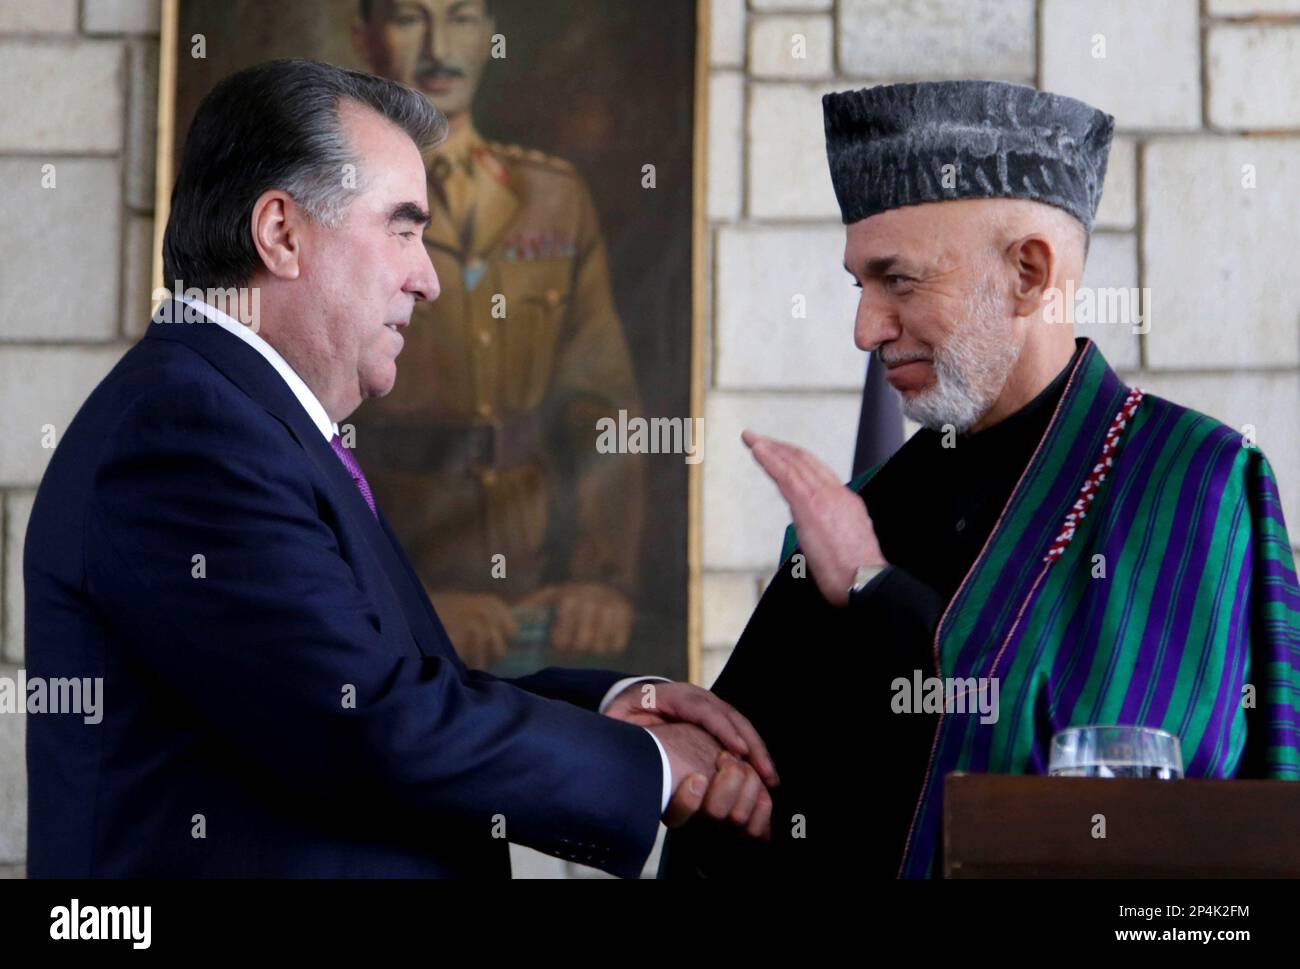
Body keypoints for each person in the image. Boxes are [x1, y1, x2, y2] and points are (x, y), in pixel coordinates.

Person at [24, 58, 775, 878]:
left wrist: (608, 712)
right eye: (404, 228)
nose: (429, 278)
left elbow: (380, 684)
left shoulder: (235, 411)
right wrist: (654, 767)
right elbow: (359, 722)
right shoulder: (188, 428)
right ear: (281, 233)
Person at [660, 80, 1300, 879]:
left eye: (898, 280)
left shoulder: (1189, 484)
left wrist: (874, 588)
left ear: (1029, 274)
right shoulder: (867, 505)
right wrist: (721, 789)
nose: (866, 329)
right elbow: (744, 789)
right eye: (859, 284)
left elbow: (1108, 816)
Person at [350, 0, 645, 669]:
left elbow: (605, 408)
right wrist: (404, 598)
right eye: (408, 19)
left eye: (462, 17)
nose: (438, 47)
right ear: (363, 36)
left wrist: (601, 578)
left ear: (491, 34)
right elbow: (304, 432)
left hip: (535, 598)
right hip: (392, 592)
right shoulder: (334, 200)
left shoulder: (554, 196)